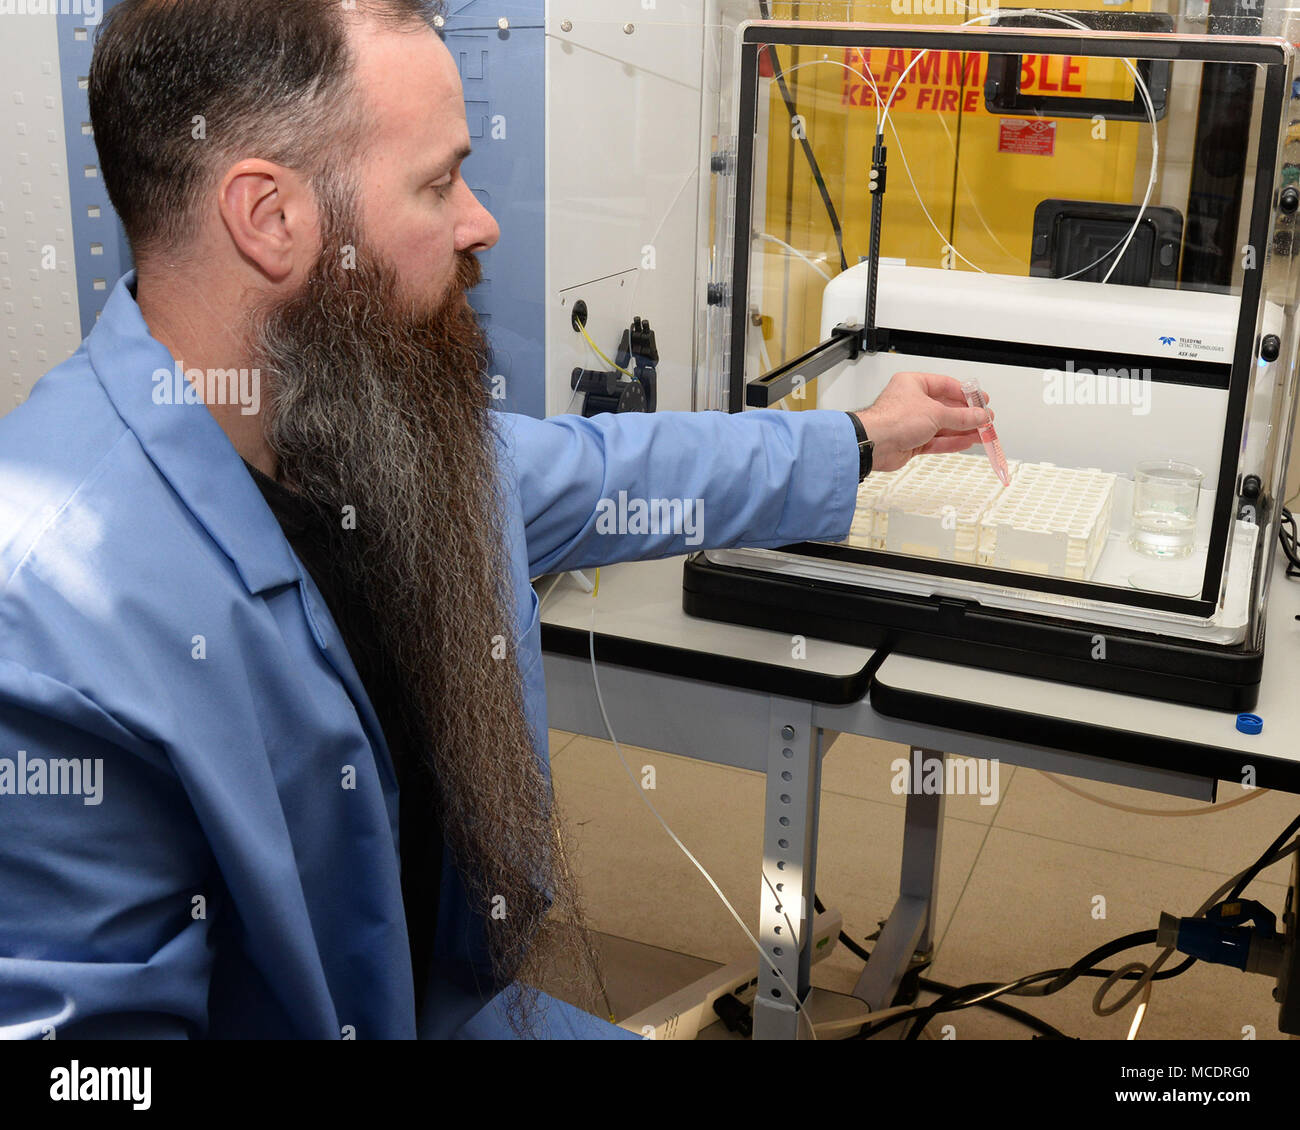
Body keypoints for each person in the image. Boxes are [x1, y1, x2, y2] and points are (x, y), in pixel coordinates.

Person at [0, 0, 991, 1039]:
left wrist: (865, 436)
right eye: (437, 182)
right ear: (271, 218)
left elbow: (627, 470)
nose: (482, 221)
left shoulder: (367, 434)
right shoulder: (47, 624)